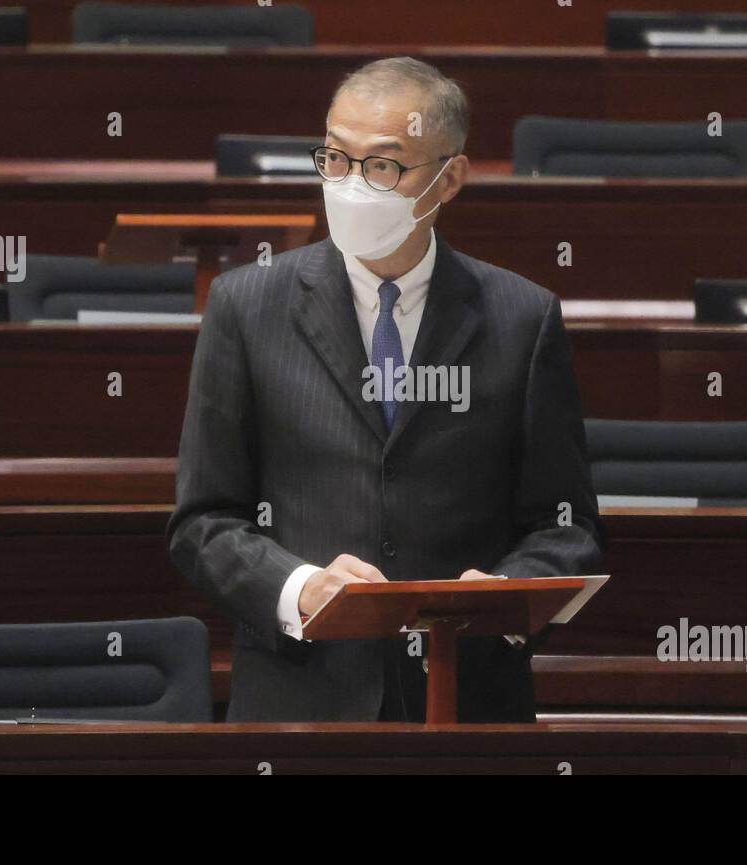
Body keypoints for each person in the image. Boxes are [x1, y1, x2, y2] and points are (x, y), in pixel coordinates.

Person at [168, 56, 603, 722]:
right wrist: (303, 588)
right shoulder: (246, 305)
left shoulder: (524, 317)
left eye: (382, 166)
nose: (349, 186)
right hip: (301, 701)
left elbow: (566, 526)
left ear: (449, 177)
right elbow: (203, 522)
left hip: (466, 702)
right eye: (335, 159)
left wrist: (505, 593)